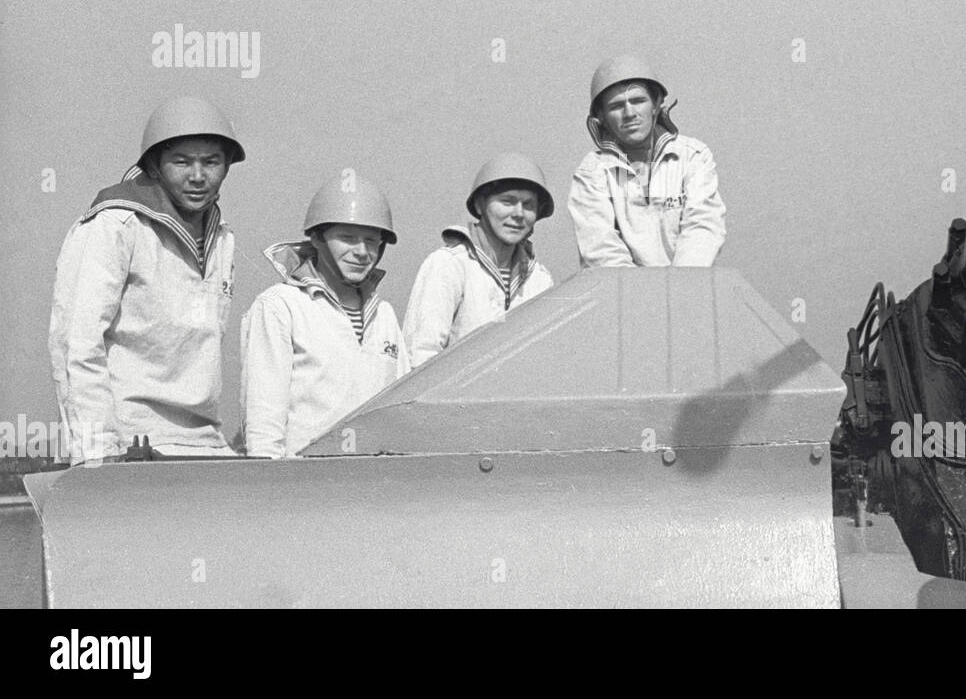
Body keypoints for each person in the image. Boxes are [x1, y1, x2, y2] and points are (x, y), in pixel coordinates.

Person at [49, 95, 245, 461]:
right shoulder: (114, 224)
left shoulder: (223, 237)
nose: (198, 176)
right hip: (132, 444)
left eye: (211, 161)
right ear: (154, 165)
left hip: (206, 442)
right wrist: (96, 452)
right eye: (181, 161)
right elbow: (76, 342)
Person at [240, 176, 410, 458]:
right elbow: (263, 425)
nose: (362, 252)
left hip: (376, 486)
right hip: (305, 488)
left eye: (372, 241)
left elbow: (400, 411)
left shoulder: (385, 314)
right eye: (347, 238)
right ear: (317, 237)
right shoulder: (279, 306)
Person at [568, 55, 726, 267]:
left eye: (638, 101)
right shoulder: (593, 172)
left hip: (686, 289)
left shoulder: (692, 156)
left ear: (656, 104)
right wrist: (640, 296)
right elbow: (600, 248)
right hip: (621, 294)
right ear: (601, 116)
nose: (629, 113)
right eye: (616, 106)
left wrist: (675, 289)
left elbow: (703, 228)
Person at [404, 153, 554, 365]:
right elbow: (420, 355)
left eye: (529, 205)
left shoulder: (539, 279)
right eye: (507, 201)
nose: (519, 213)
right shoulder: (449, 264)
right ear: (480, 205)